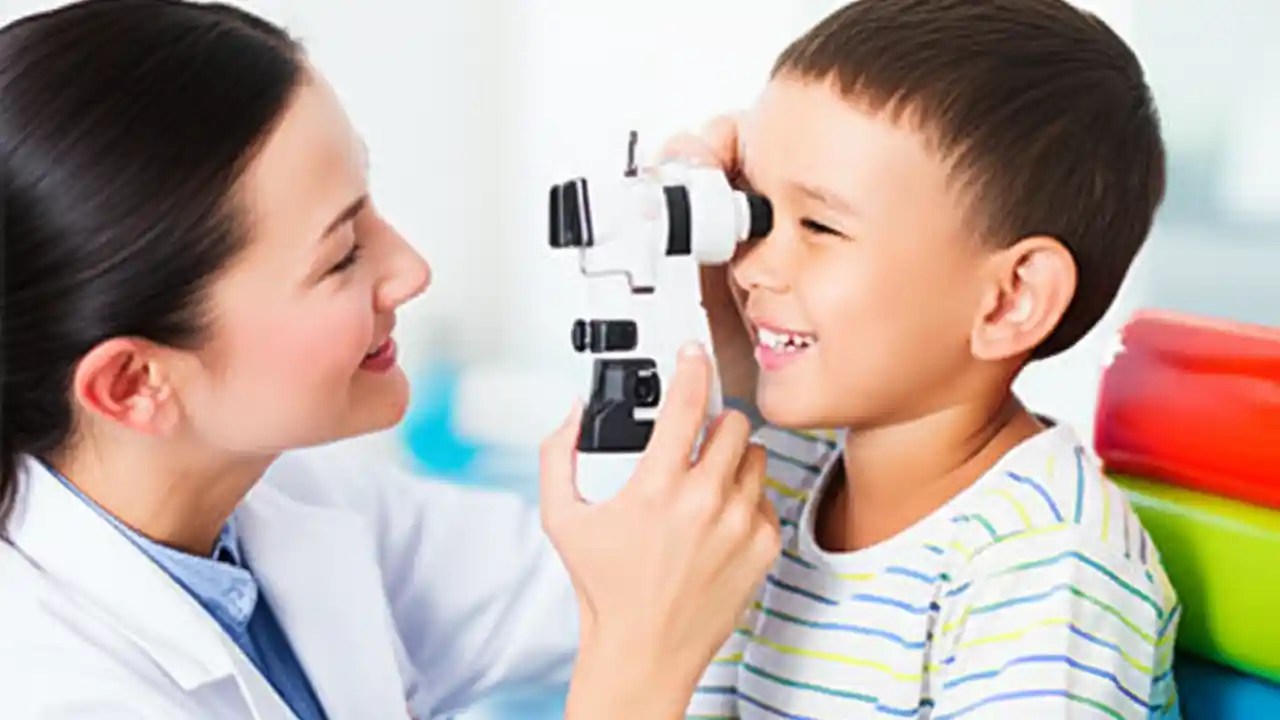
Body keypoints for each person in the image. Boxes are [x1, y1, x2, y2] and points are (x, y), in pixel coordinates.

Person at [0, 2, 779, 718]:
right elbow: (638, 619)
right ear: (134, 384)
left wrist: (728, 352)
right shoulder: (48, 685)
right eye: (342, 258)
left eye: (369, 203)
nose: (410, 268)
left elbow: (625, 570)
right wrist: (636, 675)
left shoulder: (290, 504)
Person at [642, 0, 1184, 717]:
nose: (750, 270)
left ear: (1009, 299)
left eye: (821, 225)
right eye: (757, 211)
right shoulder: (792, 472)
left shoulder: (1044, 567)